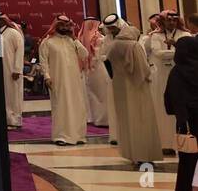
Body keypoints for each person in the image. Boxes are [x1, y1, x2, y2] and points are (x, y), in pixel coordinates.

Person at [103, 15, 162, 165]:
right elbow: (142, 69)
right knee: (141, 120)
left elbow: (108, 65)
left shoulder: (113, 45)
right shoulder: (134, 46)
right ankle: (143, 155)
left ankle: (132, 154)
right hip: (137, 88)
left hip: (120, 87)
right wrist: (150, 74)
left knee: (127, 121)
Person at [145, 9, 192, 154]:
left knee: (182, 108)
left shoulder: (185, 35)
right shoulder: (155, 36)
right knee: (163, 108)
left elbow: (188, 52)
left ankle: (183, 143)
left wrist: (175, 46)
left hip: (182, 76)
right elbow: (158, 53)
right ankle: (165, 143)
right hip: (161, 76)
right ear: (162, 22)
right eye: (168, 20)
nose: (171, 22)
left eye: (174, 20)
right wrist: (177, 51)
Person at [39, 15, 88, 146]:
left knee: (76, 105)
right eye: (62, 25)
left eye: (67, 26)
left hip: (74, 80)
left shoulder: (72, 41)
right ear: (56, 26)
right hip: (57, 80)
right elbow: (44, 62)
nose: (65, 28)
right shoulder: (47, 42)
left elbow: (85, 55)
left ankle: (78, 136)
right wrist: (47, 77)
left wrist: (75, 38)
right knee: (60, 106)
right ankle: (60, 136)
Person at [164, 36, 198, 191]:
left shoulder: (177, 72)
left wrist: (181, 118)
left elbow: (170, 100)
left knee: (187, 168)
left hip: (187, 126)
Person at [78, 18, 116, 142]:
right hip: (93, 68)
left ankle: (99, 118)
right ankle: (99, 119)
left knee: (98, 93)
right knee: (96, 94)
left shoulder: (86, 37)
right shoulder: (92, 37)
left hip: (94, 68)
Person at [0, 13, 25, 130]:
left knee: (13, 95)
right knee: (3, 95)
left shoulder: (14, 33)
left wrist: (17, 69)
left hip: (12, 71)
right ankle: (5, 119)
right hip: (1, 71)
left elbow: (20, 51)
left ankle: (15, 121)